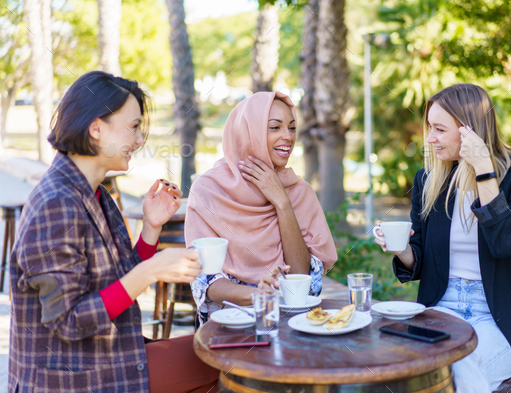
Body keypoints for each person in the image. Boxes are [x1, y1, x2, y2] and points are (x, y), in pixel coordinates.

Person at [8, 71, 219, 393]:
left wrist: (151, 228)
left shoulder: (96, 193)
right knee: (224, 362)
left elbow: (119, 282)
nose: (138, 140)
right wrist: (151, 271)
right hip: (71, 376)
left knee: (222, 351)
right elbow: (69, 320)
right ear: (96, 129)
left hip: (108, 355)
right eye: (133, 127)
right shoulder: (56, 202)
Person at [374, 84, 511, 393]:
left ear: (469, 132)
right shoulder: (429, 179)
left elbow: (507, 243)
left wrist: (483, 171)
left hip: (501, 317)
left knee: (455, 364)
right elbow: (420, 260)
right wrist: (403, 250)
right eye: (429, 128)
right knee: (402, 362)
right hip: (441, 309)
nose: (429, 138)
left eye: (439, 129)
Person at [185, 92, 337, 324]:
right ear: (248, 132)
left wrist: (282, 204)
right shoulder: (208, 190)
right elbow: (205, 279)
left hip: (290, 322)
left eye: (292, 128)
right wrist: (257, 295)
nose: (288, 136)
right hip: (229, 324)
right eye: (275, 127)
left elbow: (302, 279)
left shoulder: (299, 192)